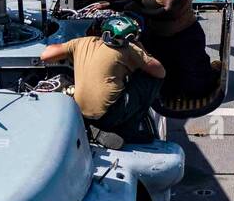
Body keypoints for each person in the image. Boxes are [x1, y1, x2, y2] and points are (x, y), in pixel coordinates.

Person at [41, 14, 165, 147]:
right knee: (151, 79)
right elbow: (160, 72)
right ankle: (128, 131)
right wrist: (141, 50)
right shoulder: (130, 50)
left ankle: (92, 126)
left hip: (80, 113)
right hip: (109, 116)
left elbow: (45, 55)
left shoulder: (81, 42)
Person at [131, 0, 214, 100]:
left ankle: (209, 74)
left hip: (182, 40)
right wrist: (112, 5)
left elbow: (170, 12)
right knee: (166, 87)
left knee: (197, 89)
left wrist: (138, 11)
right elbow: (138, 0)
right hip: (158, 39)